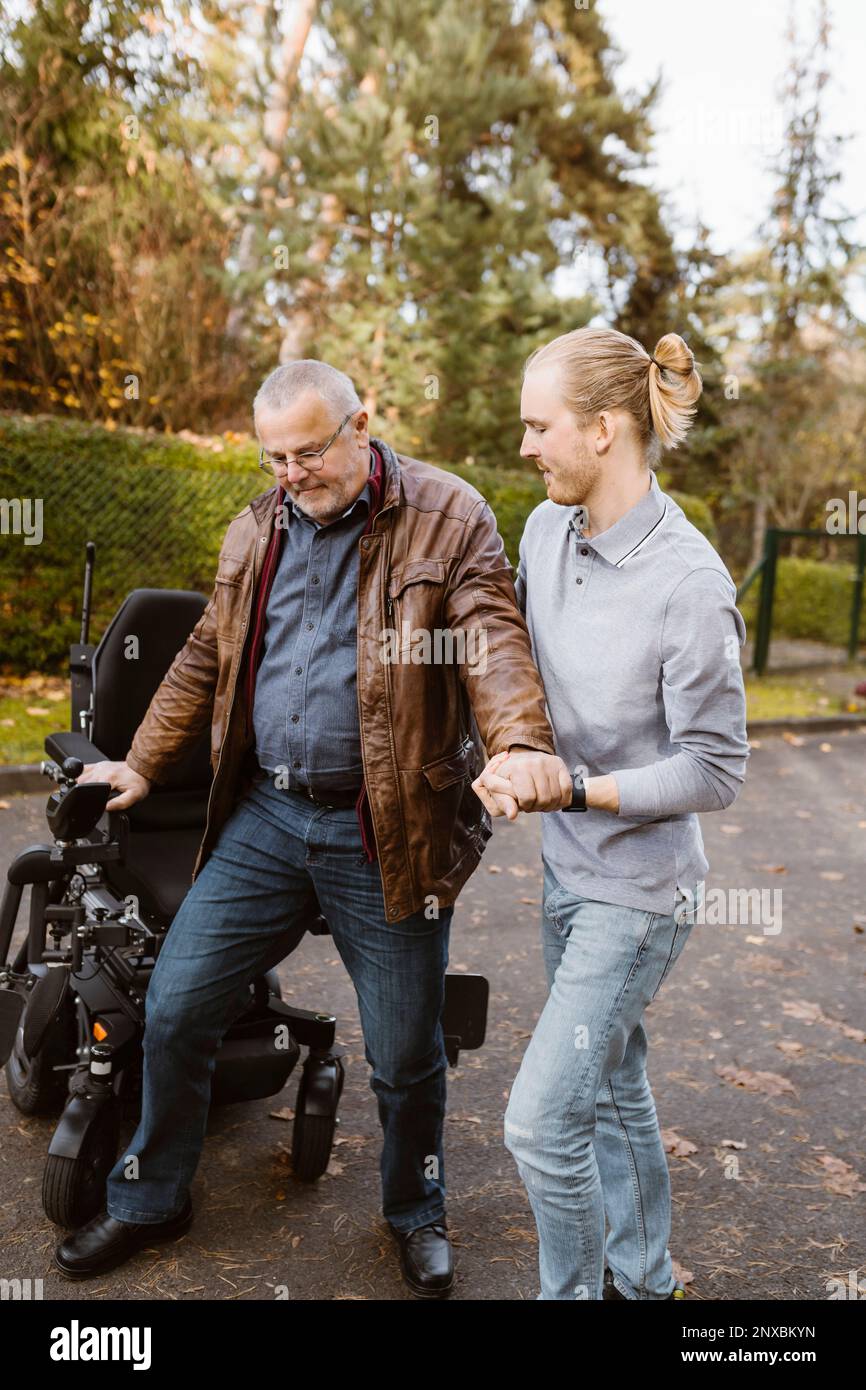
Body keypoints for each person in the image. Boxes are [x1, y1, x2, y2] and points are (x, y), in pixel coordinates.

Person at [54, 359, 570, 1297]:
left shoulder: (448, 517)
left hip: (387, 827)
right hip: (265, 815)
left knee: (408, 1052)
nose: (290, 473)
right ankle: (150, 1195)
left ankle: (415, 1209)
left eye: (307, 452)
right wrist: (138, 759)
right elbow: (206, 656)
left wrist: (522, 741)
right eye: (274, 457)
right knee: (174, 1008)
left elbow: (492, 638)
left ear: (360, 424)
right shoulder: (256, 529)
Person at [472, 326, 750, 1301]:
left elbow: (715, 771)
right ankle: (644, 1279)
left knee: (541, 1121)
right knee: (610, 1081)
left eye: (537, 426)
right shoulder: (545, 530)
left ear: (601, 428)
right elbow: (519, 681)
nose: (524, 446)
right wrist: (509, 755)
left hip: (638, 895)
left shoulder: (689, 585)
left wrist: (576, 788)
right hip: (564, 871)